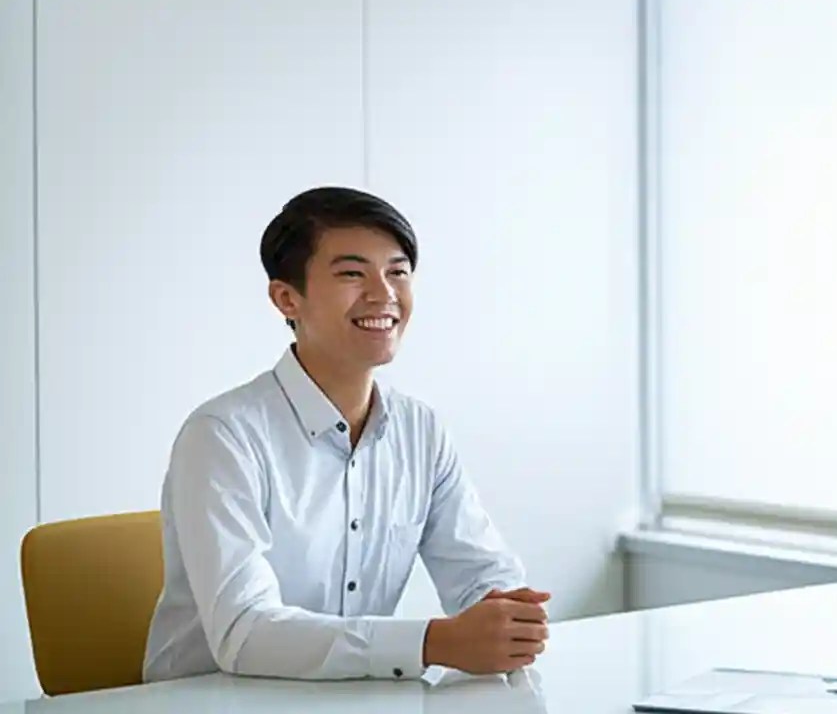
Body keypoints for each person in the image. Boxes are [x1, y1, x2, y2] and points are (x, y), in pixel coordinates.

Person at [144, 186, 551, 682]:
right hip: (208, 699)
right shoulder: (222, 436)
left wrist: (504, 614)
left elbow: (482, 574)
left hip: (354, 696)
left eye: (397, 272)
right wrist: (432, 642)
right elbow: (245, 633)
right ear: (287, 298)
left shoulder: (420, 431)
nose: (384, 294)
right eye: (353, 274)